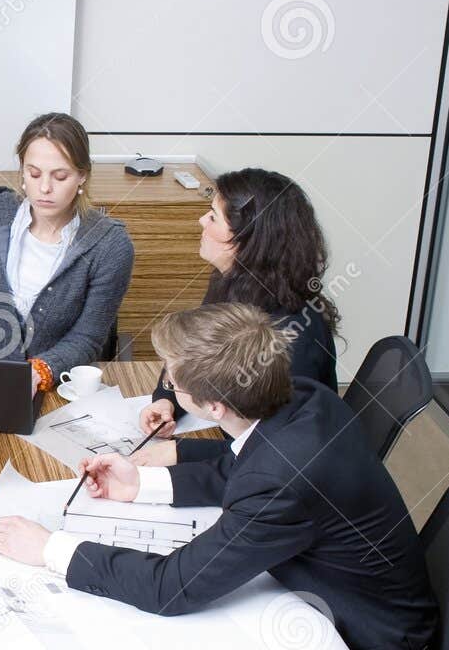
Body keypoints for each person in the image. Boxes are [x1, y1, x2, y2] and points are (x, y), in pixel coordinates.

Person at [0, 302, 437, 650]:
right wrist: (142, 485)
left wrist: (51, 549)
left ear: (212, 407)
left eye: (173, 379)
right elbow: (244, 460)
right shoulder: (305, 397)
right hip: (343, 587)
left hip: (368, 649)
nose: (167, 384)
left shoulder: (282, 482)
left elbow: (170, 588)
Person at [136, 168, 341, 465]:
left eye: (213, 217)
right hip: (231, 439)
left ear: (249, 241)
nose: (201, 221)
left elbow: (277, 454)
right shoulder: (231, 282)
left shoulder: (292, 337)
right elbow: (190, 356)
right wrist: (166, 400)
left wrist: (180, 453)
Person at [0, 113, 133, 392]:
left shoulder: (110, 245)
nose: (45, 188)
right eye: (34, 173)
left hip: (55, 388)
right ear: (22, 170)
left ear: (82, 176)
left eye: (60, 176)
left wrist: (41, 371)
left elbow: (87, 338)